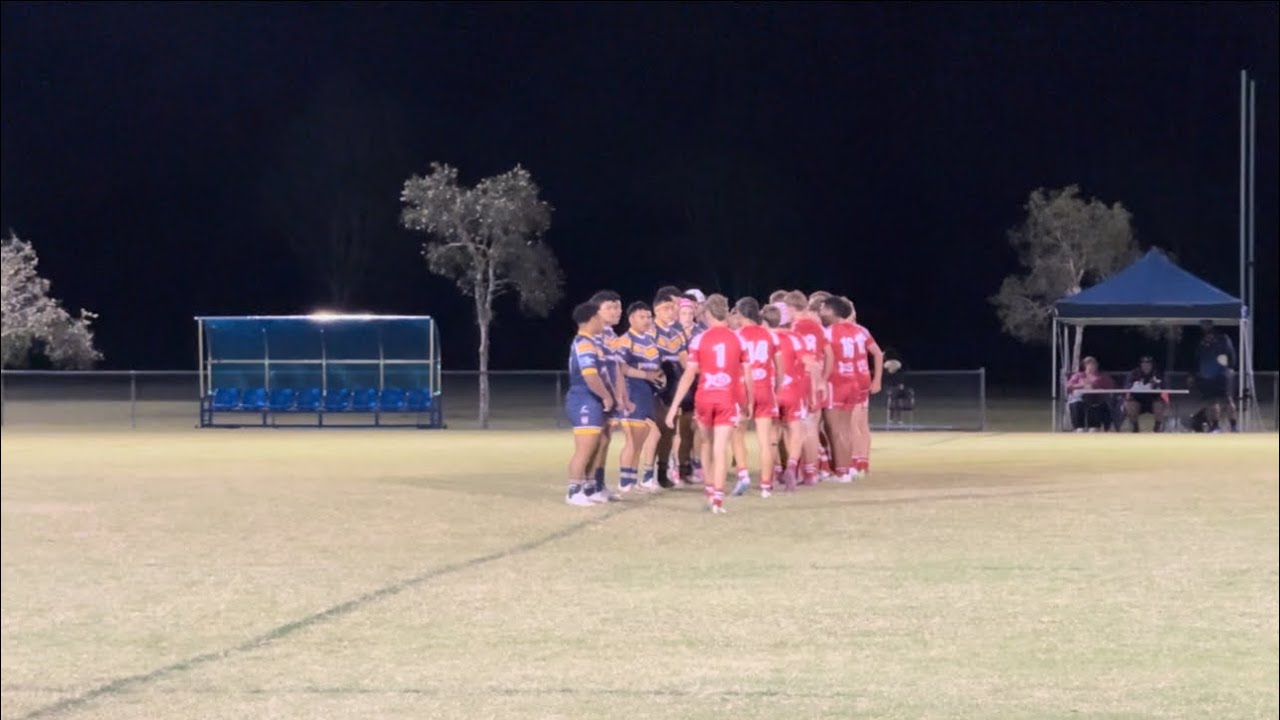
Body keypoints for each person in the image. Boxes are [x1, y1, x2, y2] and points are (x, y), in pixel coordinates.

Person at [666, 294, 752, 514]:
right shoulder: (738, 339)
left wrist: (674, 406)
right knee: (720, 448)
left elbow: (688, 374)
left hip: (705, 397)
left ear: (708, 314)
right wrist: (748, 401)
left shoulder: (699, 339)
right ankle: (718, 500)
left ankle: (709, 488)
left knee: (705, 443)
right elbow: (747, 374)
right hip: (727, 397)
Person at [564, 302, 615, 506]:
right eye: (600, 318)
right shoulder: (584, 343)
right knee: (585, 448)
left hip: (590, 398)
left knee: (598, 443)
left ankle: (589, 487)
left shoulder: (591, 342)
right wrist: (606, 396)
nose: (603, 322)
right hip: (583, 398)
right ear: (592, 318)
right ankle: (574, 490)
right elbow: (590, 376)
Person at [730, 297, 781, 497]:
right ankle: (766, 486)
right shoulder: (770, 336)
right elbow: (780, 369)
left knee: (737, 434)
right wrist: (776, 387)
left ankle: (743, 475)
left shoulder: (736, 336)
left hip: (743, 389)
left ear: (741, 314)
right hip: (765, 389)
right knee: (765, 440)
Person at [614, 302, 664, 492]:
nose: (646, 320)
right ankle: (625, 481)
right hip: (632, 391)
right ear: (631, 319)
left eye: (649, 317)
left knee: (644, 438)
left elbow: (655, 367)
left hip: (647, 393)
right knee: (633, 439)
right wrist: (646, 375)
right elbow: (621, 368)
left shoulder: (650, 340)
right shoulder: (626, 340)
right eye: (642, 317)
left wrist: (660, 377)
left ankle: (633, 479)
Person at [587, 291, 628, 502]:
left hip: (611, 396)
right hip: (596, 396)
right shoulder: (592, 335)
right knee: (594, 440)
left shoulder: (612, 336)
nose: (616, 311)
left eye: (618, 307)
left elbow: (617, 368)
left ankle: (598, 484)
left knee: (605, 439)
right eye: (610, 307)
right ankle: (586, 484)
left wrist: (621, 396)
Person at [764, 302, 809, 492]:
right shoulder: (795, 338)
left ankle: (772, 473)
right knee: (795, 430)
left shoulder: (765, 337)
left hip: (770, 389)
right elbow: (809, 362)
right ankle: (791, 466)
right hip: (791, 389)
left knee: (771, 433)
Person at [1194, 320, 1238, 432]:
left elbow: (1231, 355)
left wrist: (1229, 368)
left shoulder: (1222, 338)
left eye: (1206, 323)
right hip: (1207, 376)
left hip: (1222, 374)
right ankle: (1215, 426)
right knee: (1212, 401)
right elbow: (1198, 357)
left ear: (1211, 324)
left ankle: (1233, 426)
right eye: (1203, 324)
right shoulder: (1202, 341)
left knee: (1227, 400)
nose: (1204, 326)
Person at [1064, 357, 1115, 431]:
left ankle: (1094, 426)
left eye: (1093, 364)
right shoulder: (1078, 375)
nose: (1091, 366)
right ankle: (1079, 427)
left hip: (1096, 400)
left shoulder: (1102, 376)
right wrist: (1082, 386)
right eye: (1089, 364)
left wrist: (1095, 386)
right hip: (1079, 399)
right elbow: (1068, 386)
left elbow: (1111, 385)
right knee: (1076, 403)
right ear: (1085, 366)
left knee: (1096, 405)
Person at [1123, 355, 1167, 432]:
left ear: (1152, 365)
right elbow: (1127, 386)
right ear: (1140, 365)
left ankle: (1157, 427)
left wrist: (1157, 384)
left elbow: (1165, 386)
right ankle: (1135, 427)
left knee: (1159, 404)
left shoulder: (1158, 373)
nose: (1146, 366)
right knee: (1130, 404)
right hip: (1137, 398)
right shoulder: (1134, 373)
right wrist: (1135, 384)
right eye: (1144, 364)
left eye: (1148, 364)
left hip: (1154, 398)